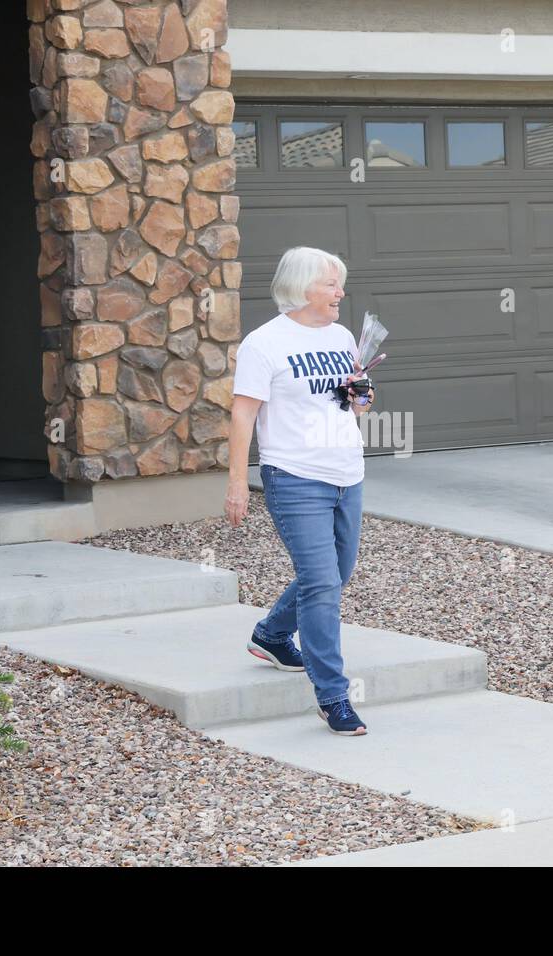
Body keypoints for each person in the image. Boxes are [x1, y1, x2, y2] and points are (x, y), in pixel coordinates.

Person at [225, 246, 376, 736]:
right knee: (322, 584)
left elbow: (352, 407)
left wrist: (361, 398)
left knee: (338, 573)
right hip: (294, 478)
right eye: (332, 284)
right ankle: (333, 696)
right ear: (302, 286)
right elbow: (243, 414)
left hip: (346, 474)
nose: (341, 292)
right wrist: (236, 484)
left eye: (340, 283)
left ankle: (271, 634)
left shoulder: (342, 336)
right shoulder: (263, 343)